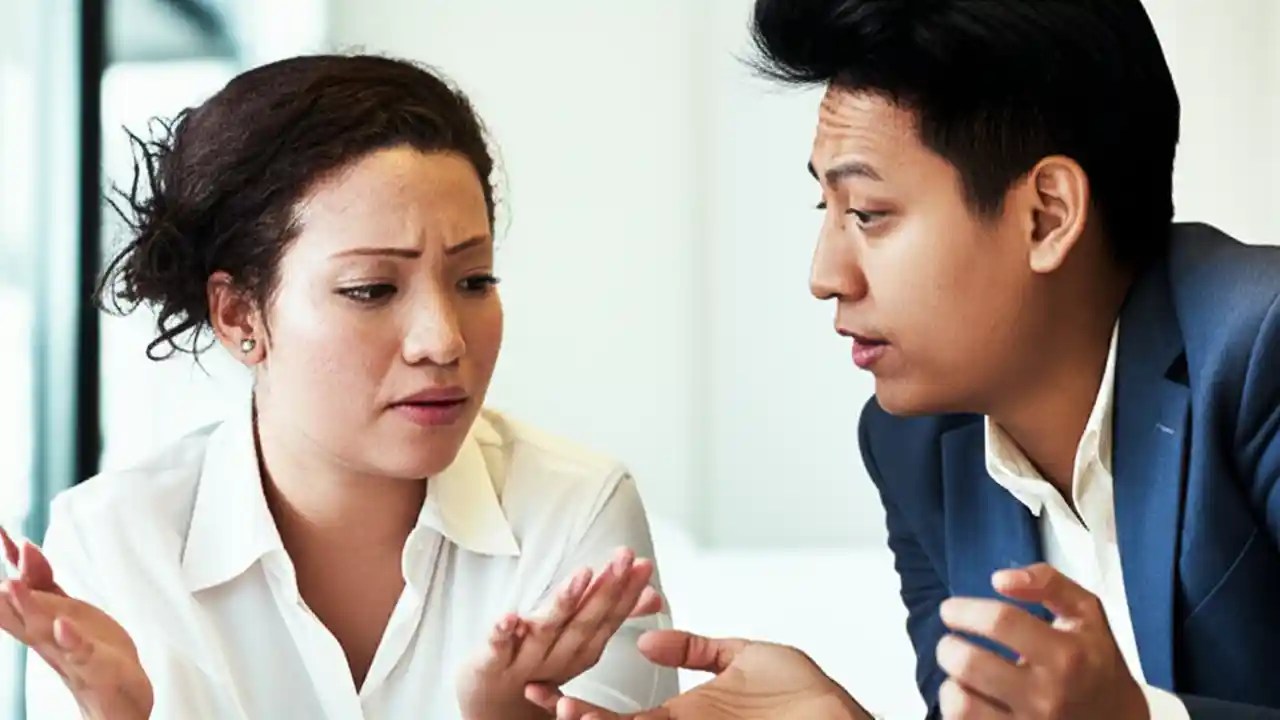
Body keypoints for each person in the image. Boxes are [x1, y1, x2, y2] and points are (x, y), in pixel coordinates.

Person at [529, 1, 1280, 718]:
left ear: (1046, 215)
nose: (824, 275)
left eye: (868, 214)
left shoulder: (1259, 349)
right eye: (824, 211)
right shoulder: (913, 445)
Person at [0, 54, 679, 719]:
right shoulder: (114, 543)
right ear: (239, 314)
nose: (444, 340)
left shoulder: (573, 515)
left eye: (474, 281)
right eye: (371, 289)